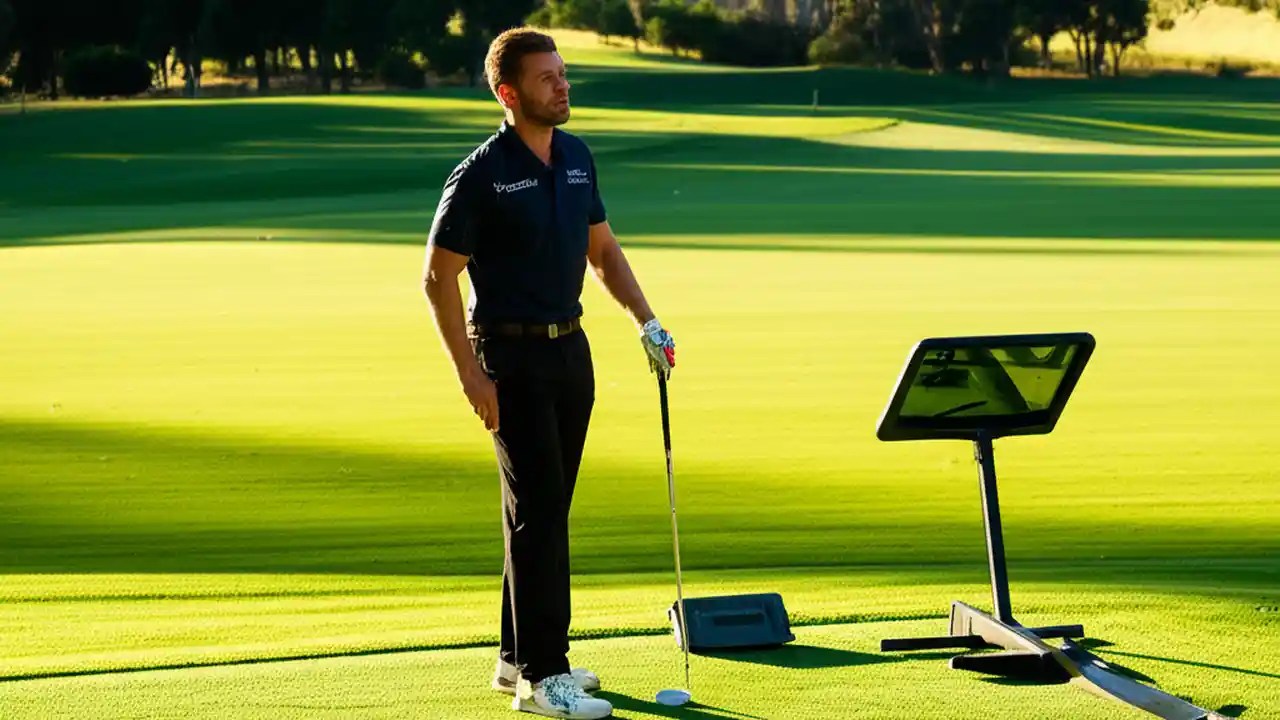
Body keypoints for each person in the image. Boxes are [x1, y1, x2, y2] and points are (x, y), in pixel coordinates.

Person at [421, 27, 676, 720]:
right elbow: (438, 278)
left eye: (564, 74)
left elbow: (604, 251)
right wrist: (471, 376)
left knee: (543, 511)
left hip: (571, 350)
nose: (563, 86)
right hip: (510, 357)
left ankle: (514, 659)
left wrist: (646, 322)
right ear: (509, 94)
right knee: (538, 516)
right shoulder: (481, 174)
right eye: (547, 78)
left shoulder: (575, 158)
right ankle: (543, 676)